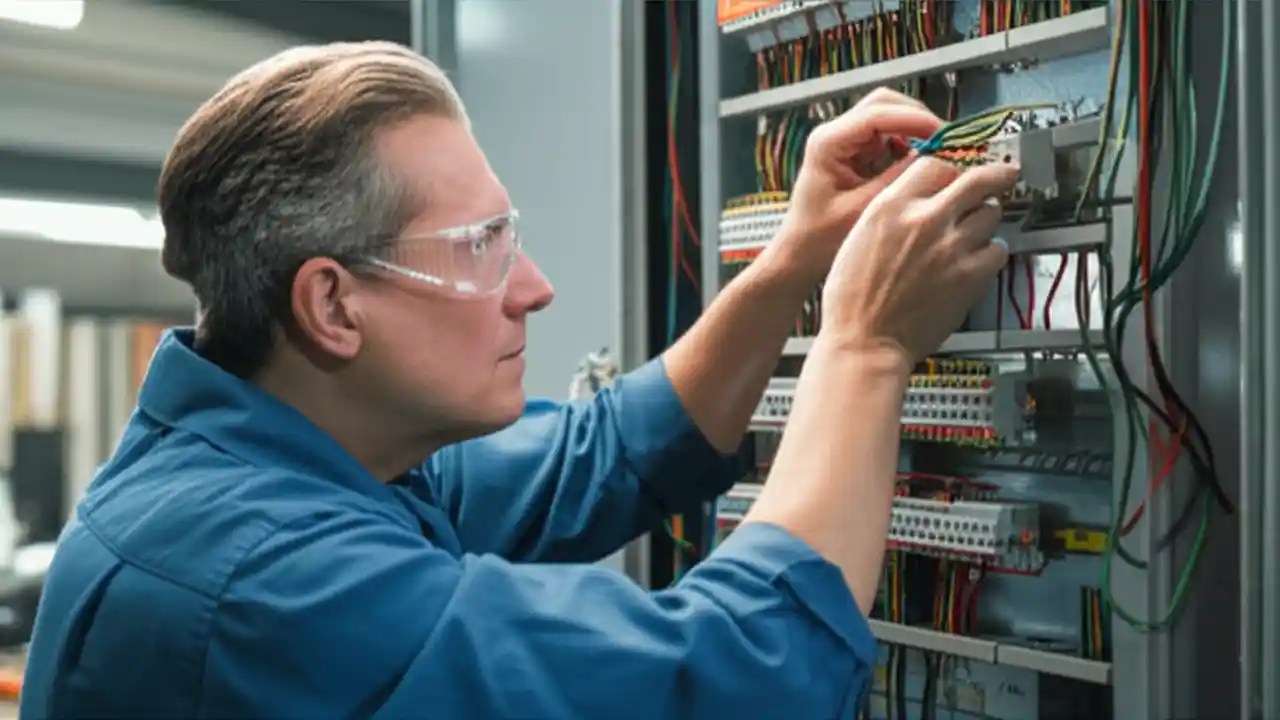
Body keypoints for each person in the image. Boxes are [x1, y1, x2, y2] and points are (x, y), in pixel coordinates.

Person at [20, 42, 1014, 719]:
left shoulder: (296, 456)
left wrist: (796, 258)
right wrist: (865, 345)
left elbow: (605, 453)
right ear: (331, 308)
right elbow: (734, 680)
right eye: (479, 248)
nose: (532, 290)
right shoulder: (261, 583)